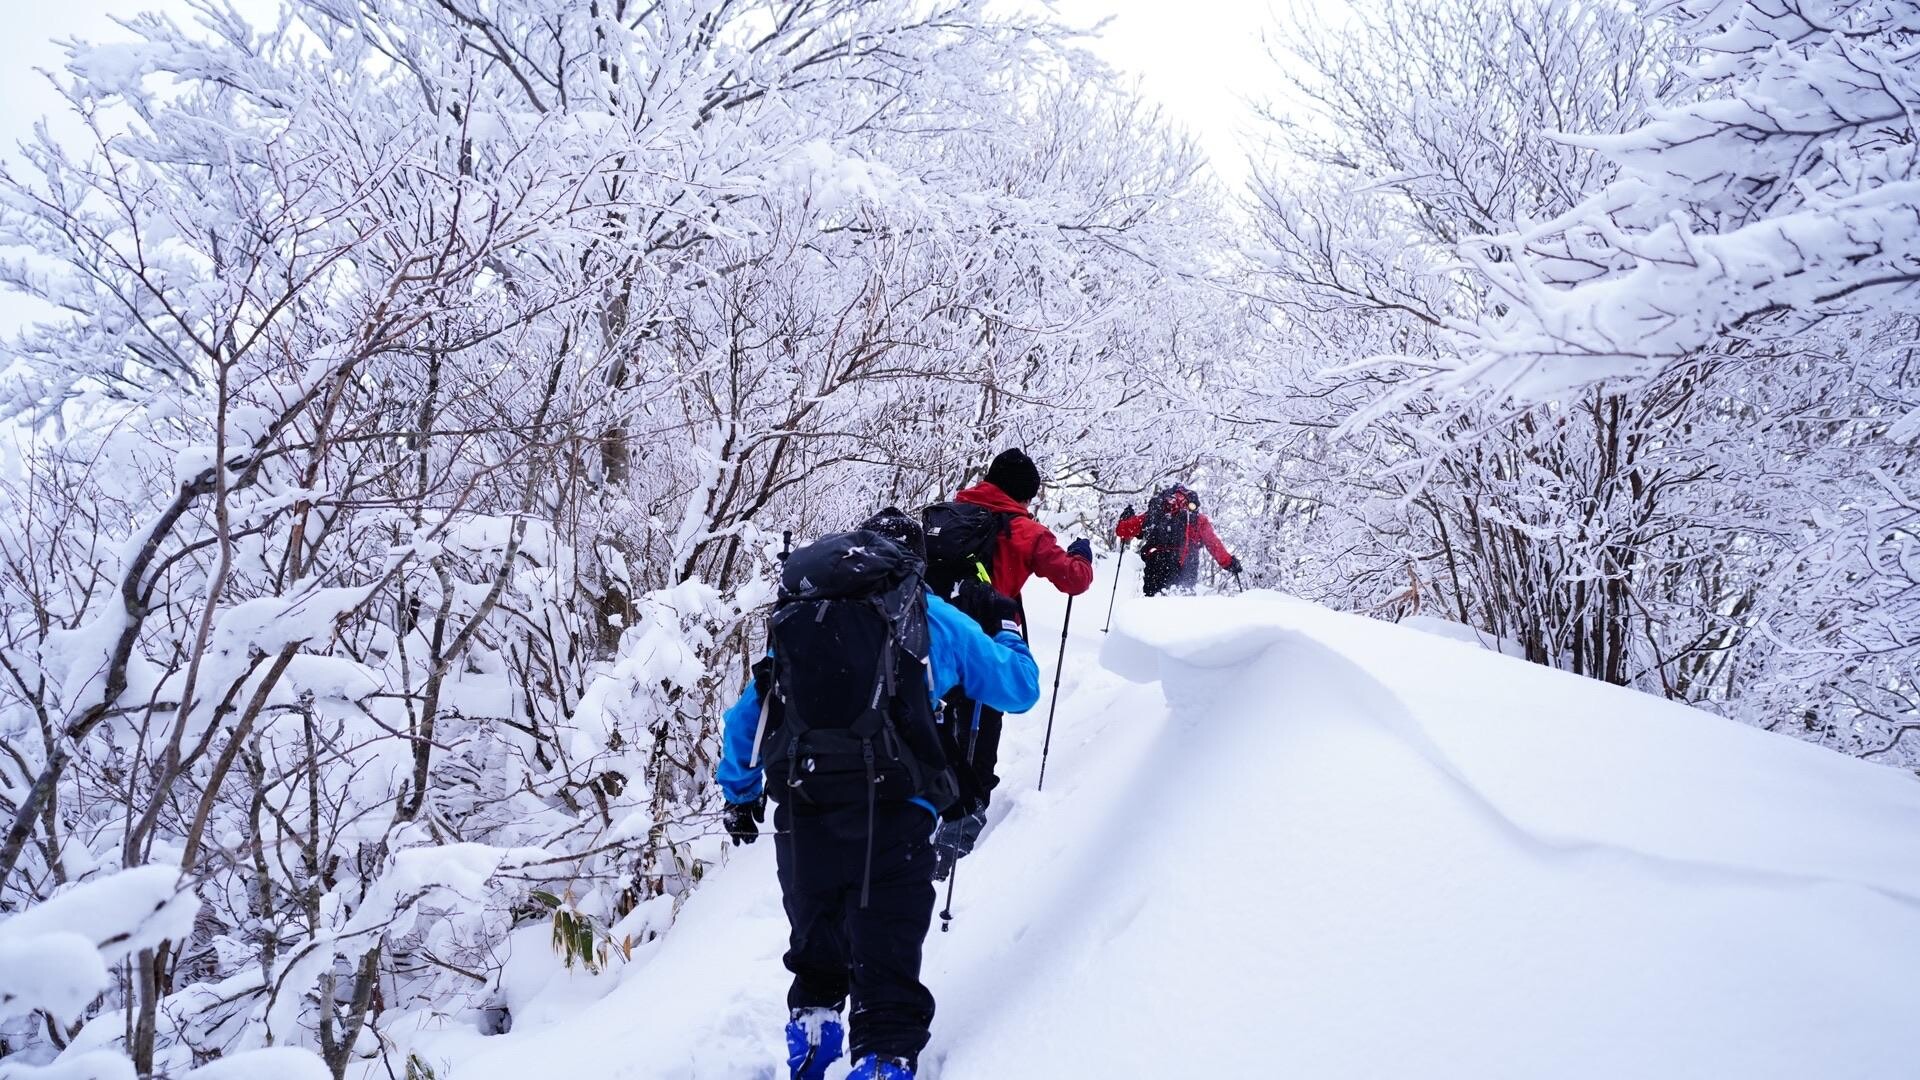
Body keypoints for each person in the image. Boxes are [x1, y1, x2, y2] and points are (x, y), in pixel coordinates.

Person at [715, 508, 1040, 1080]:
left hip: (802, 810)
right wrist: (1008, 629)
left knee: (816, 956)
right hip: (894, 814)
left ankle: (811, 1050)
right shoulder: (925, 614)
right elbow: (1018, 690)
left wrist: (740, 796)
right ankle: (882, 1059)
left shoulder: (801, 615)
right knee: (886, 967)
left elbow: (750, 716)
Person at [925, 448, 1093, 874]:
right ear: (1024, 495)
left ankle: (933, 800)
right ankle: (967, 812)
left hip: (936, 635)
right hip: (988, 638)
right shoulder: (1022, 528)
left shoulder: (949, 513)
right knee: (982, 719)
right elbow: (1072, 580)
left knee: (941, 717)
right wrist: (1083, 558)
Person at [1115, 484, 1241, 597]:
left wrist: (1126, 518)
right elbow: (1213, 544)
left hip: (1155, 569)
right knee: (1181, 610)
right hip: (1185, 569)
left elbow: (1122, 531)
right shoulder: (1197, 520)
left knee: (1153, 610)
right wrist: (1229, 563)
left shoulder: (1154, 515)